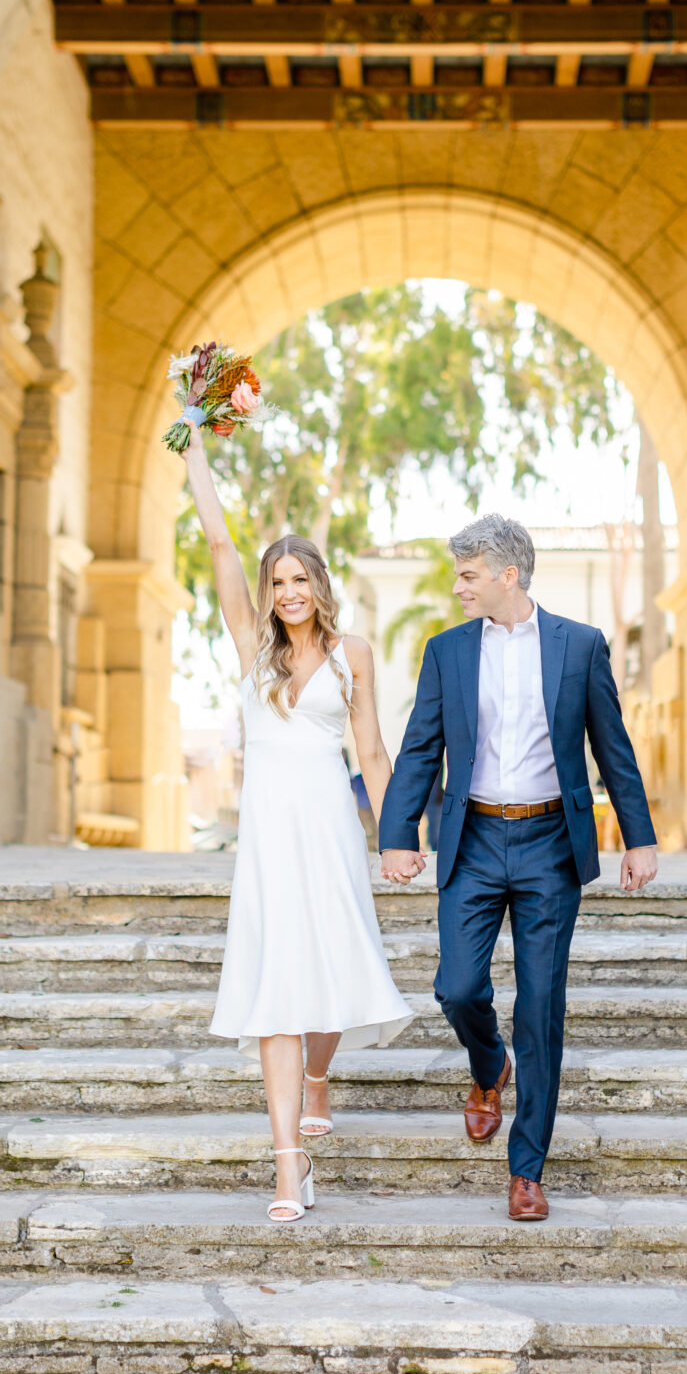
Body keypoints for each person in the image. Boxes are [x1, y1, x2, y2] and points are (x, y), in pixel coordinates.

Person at [380, 514, 657, 1223]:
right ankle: (487, 1066)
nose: (457, 587)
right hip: (471, 841)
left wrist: (639, 837)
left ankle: (527, 1169)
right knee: (457, 986)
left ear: (509, 575)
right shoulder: (446, 652)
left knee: (541, 1010)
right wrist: (398, 832)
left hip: (548, 846)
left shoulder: (579, 646)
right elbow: (419, 748)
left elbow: (612, 747)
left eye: (468, 575)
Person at [182, 423, 412, 1224]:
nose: (286, 593)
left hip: (331, 835)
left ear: (317, 583)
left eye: (297, 579)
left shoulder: (354, 652)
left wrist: (396, 837)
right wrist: (193, 450)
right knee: (280, 993)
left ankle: (320, 1078)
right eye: (275, 580)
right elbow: (216, 541)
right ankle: (290, 1168)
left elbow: (374, 750)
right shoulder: (252, 649)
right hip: (269, 844)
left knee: (334, 978)